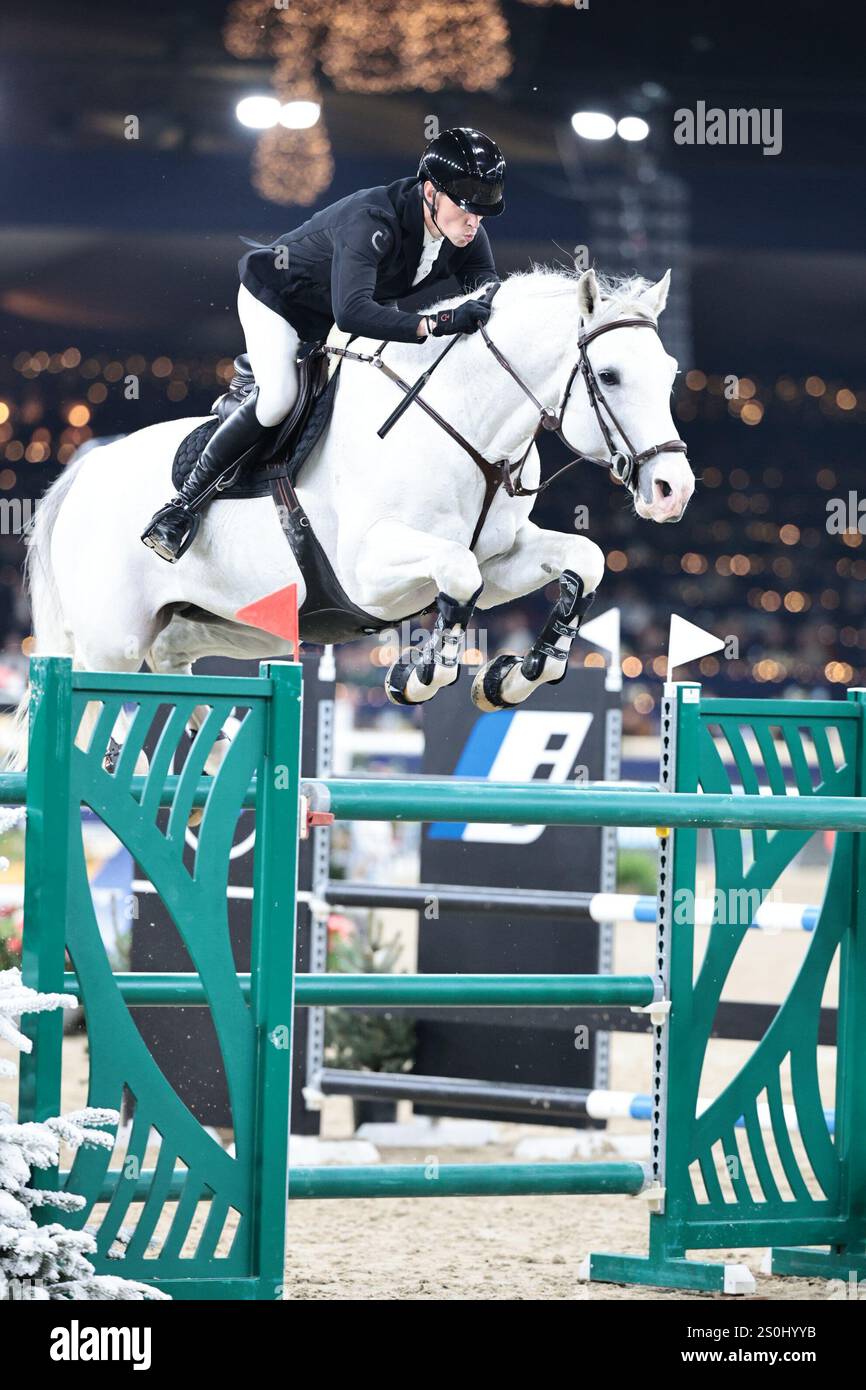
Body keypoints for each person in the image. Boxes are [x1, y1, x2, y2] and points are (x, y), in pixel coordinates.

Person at [141, 126, 505, 562]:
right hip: (279, 301)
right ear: (430, 192)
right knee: (278, 399)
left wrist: (488, 303)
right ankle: (182, 506)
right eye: (466, 210)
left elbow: (487, 286)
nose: (473, 223)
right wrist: (439, 322)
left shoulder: (464, 232)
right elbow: (353, 311)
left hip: (333, 315)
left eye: (481, 215)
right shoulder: (374, 221)